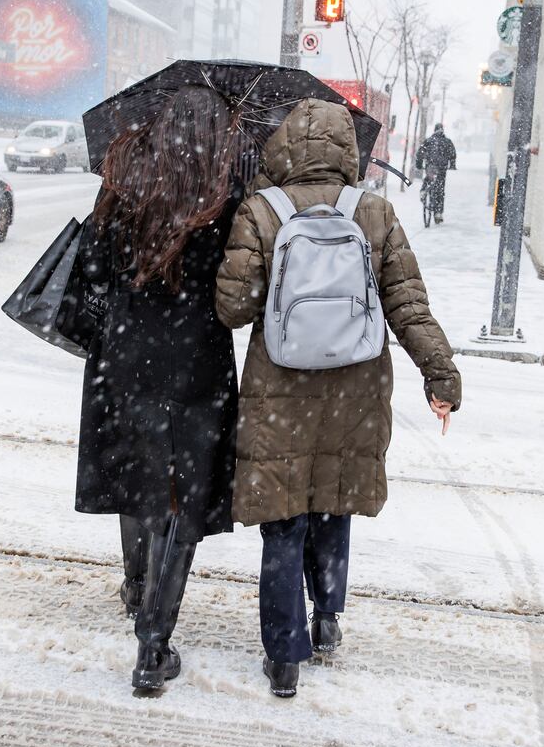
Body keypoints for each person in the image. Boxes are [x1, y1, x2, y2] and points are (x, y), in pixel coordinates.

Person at [215, 99, 461, 698]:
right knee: (332, 503)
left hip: (279, 389)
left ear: (282, 148)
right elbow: (408, 304)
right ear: (348, 149)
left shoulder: (261, 210)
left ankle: (284, 657)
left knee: (283, 518)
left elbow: (233, 308)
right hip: (357, 387)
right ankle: (326, 620)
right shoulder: (373, 211)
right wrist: (441, 376)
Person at [75, 86, 242, 691]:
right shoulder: (223, 198)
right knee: (180, 495)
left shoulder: (121, 184)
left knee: (137, 465)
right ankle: (153, 643)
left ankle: (136, 584)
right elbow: (236, 289)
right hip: (195, 360)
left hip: (125, 353)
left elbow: (92, 268)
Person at [415, 123, 457, 222]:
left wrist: (419, 165)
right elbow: (453, 154)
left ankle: (424, 190)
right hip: (442, 168)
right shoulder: (447, 141)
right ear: (442, 131)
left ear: (434, 130)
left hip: (431, 166)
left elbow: (420, 153)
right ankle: (438, 213)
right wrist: (452, 165)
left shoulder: (428, 141)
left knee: (428, 178)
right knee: (440, 190)